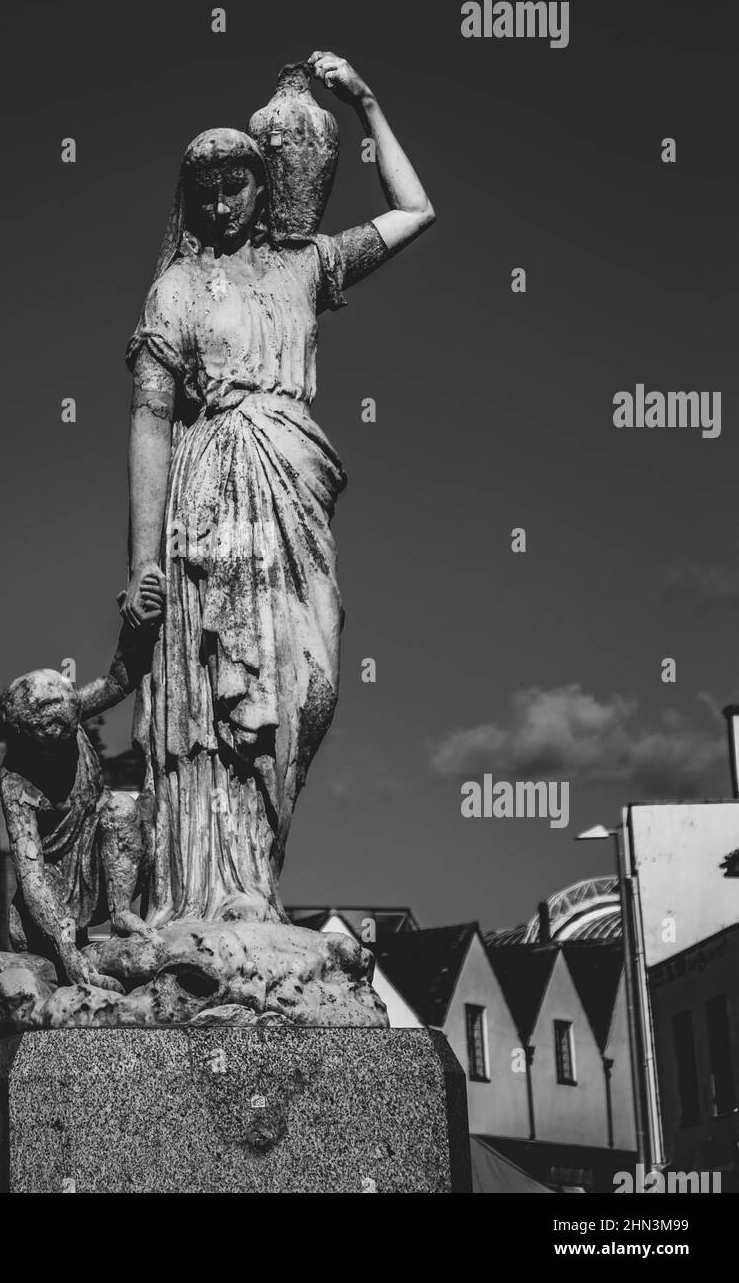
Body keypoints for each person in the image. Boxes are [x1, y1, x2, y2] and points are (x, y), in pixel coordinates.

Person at [122, 50, 435, 928]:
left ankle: (257, 875)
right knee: (230, 698)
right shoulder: (177, 287)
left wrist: (367, 101)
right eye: (206, 192)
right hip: (214, 484)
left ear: (263, 188)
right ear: (189, 203)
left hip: (294, 484)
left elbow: (416, 211)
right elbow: (149, 420)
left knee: (312, 687)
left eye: (237, 185)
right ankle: (226, 893)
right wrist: (141, 561)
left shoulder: (306, 268)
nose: (222, 204)